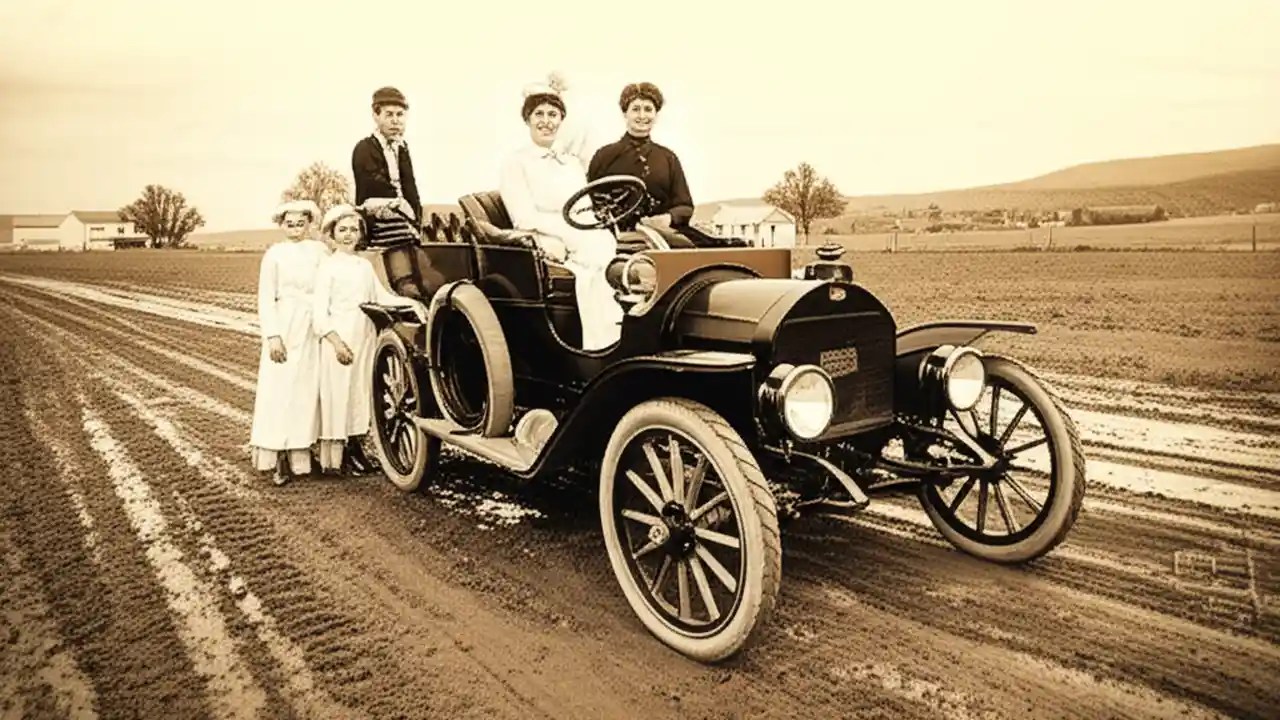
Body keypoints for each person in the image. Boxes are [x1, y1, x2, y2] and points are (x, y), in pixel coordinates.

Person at [498, 76, 624, 351]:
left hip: (578, 230)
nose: (547, 121)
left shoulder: (571, 164)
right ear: (528, 120)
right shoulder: (516, 162)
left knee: (608, 250)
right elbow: (523, 216)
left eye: (553, 114)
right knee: (593, 256)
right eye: (539, 114)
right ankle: (598, 344)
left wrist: (596, 227)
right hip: (541, 234)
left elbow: (585, 206)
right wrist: (570, 232)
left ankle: (615, 334)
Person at [313, 204, 428, 474]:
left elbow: (380, 297)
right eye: (342, 230)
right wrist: (336, 342)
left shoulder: (363, 266)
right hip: (338, 338)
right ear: (332, 233)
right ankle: (336, 458)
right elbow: (319, 313)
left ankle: (357, 449)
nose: (348, 235)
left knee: (360, 393)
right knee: (338, 393)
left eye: (354, 230)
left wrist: (412, 305)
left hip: (363, 335)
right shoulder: (328, 268)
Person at [588, 82, 738, 248]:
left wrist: (667, 218)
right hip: (614, 236)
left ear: (656, 115)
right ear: (625, 113)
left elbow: (685, 206)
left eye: (648, 109)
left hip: (662, 236)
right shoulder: (604, 156)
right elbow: (588, 201)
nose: (642, 115)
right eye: (636, 109)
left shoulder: (668, 158)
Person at [250, 200, 330, 485]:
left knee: (308, 389)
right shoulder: (274, 255)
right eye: (289, 224)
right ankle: (278, 455)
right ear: (281, 225)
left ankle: (302, 453)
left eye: (300, 223)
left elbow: (330, 285)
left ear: (309, 224)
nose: (295, 229)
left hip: (312, 325)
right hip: (285, 324)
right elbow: (265, 298)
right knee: (279, 389)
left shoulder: (320, 251)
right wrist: (272, 335)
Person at [352, 86, 423, 225]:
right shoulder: (364, 148)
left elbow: (411, 189)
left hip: (403, 223)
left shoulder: (402, 149)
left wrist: (417, 220)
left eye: (400, 114)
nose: (395, 121)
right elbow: (376, 190)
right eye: (389, 114)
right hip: (376, 223)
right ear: (376, 116)